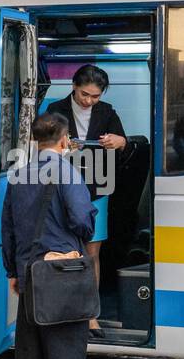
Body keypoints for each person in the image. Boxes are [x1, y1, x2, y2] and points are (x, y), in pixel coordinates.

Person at [2, 113, 96, 359]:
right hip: (62, 270)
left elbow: (9, 229)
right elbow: (82, 218)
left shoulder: (18, 176)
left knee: (30, 343)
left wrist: (13, 272)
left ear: (35, 141)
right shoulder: (68, 173)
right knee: (66, 341)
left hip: (30, 270)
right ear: (65, 140)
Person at [43, 65, 127, 338]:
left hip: (96, 187)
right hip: (61, 188)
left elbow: (123, 141)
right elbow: (40, 147)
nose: (89, 100)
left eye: (95, 96)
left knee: (92, 254)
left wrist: (118, 141)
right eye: (84, 94)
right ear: (73, 86)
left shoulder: (107, 112)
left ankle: (91, 315)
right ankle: (63, 311)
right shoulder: (55, 109)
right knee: (62, 250)